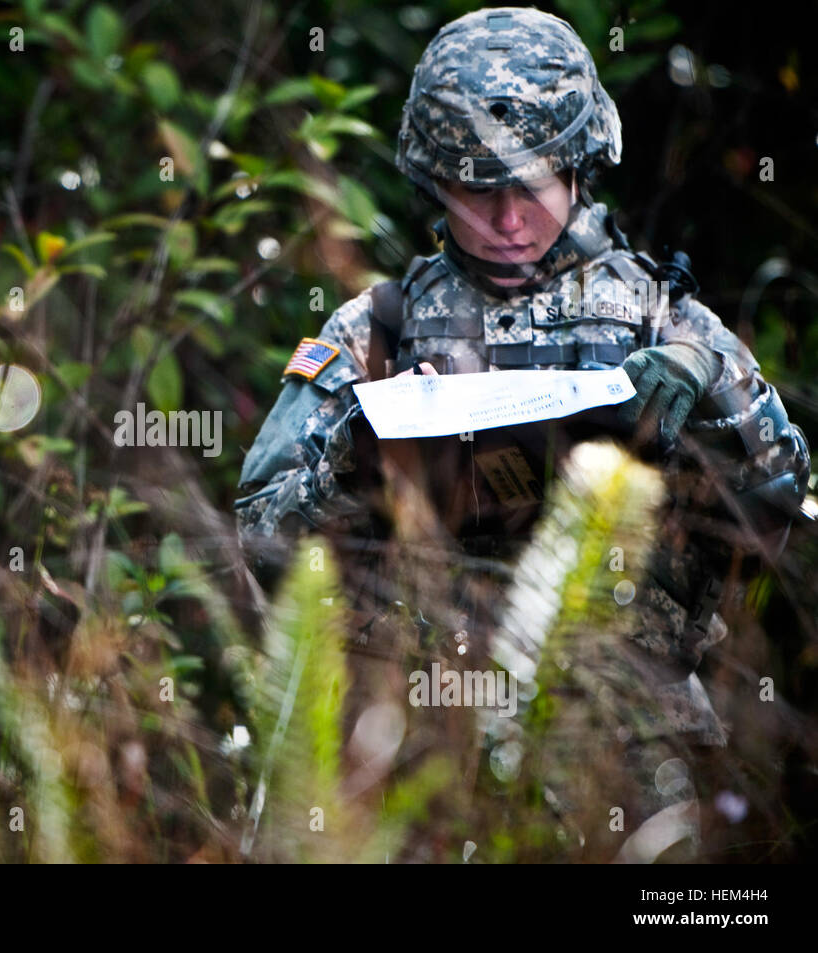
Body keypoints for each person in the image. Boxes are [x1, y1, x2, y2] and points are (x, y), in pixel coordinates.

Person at [234, 7, 810, 859]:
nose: (507, 217)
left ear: (580, 168)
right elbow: (261, 531)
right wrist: (364, 458)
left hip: (620, 743)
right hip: (414, 742)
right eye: (477, 188)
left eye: (531, 182)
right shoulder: (379, 329)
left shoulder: (667, 323)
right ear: (435, 185)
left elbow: (783, 501)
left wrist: (709, 398)